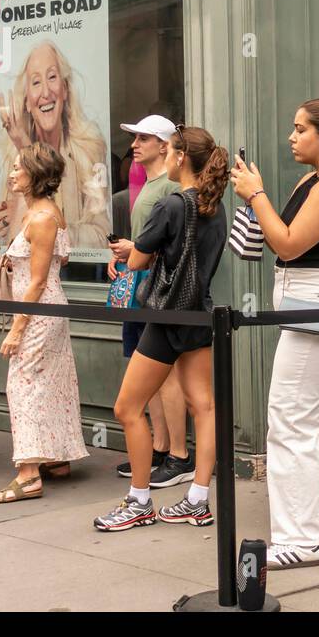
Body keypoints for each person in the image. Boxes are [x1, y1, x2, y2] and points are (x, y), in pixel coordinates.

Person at [230, 98, 319, 569]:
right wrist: (258, 198)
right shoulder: (312, 180)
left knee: (289, 416)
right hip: (310, 303)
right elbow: (281, 237)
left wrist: (256, 195)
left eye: (299, 129)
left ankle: (299, 538)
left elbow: (289, 244)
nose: (291, 137)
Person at [94, 127, 229, 531]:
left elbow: (137, 261)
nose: (165, 157)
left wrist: (126, 251)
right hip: (198, 314)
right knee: (203, 407)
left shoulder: (172, 204)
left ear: (181, 157)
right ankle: (199, 499)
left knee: (127, 407)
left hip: (167, 314)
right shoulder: (214, 207)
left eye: (169, 150)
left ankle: (138, 501)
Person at [0, 142, 89, 502]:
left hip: (39, 313)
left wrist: (17, 328)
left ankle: (29, 473)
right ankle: (56, 458)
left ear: (36, 175)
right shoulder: (39, 212)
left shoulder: (44, 217)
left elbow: (38, 279)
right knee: (51, 384)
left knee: (24, 386)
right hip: (45, 311)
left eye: (19, 168)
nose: (12, 173)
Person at [107, 114, 194, 488]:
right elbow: (147, 241)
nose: (134, 145)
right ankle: (160, 446)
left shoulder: (168, 190)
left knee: (166, 374)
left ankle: (179, 454)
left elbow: (173, 246)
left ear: (164, 145)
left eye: (143, 138)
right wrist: (125, 253)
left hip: (157, 290)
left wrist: (135, 250)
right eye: (135, 138)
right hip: (142, 286)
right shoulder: (151, 186)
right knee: (149, 375)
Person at [0, 39, 111, 252]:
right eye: (36, 82)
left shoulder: (88, 150)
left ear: (65, 89)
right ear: (27, 101)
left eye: (52, 77)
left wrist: (42, 225)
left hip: (78, 276)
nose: (46, 92)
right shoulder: (13, 157)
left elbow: (102, 236)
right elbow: (9, 242)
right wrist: (5, 223)